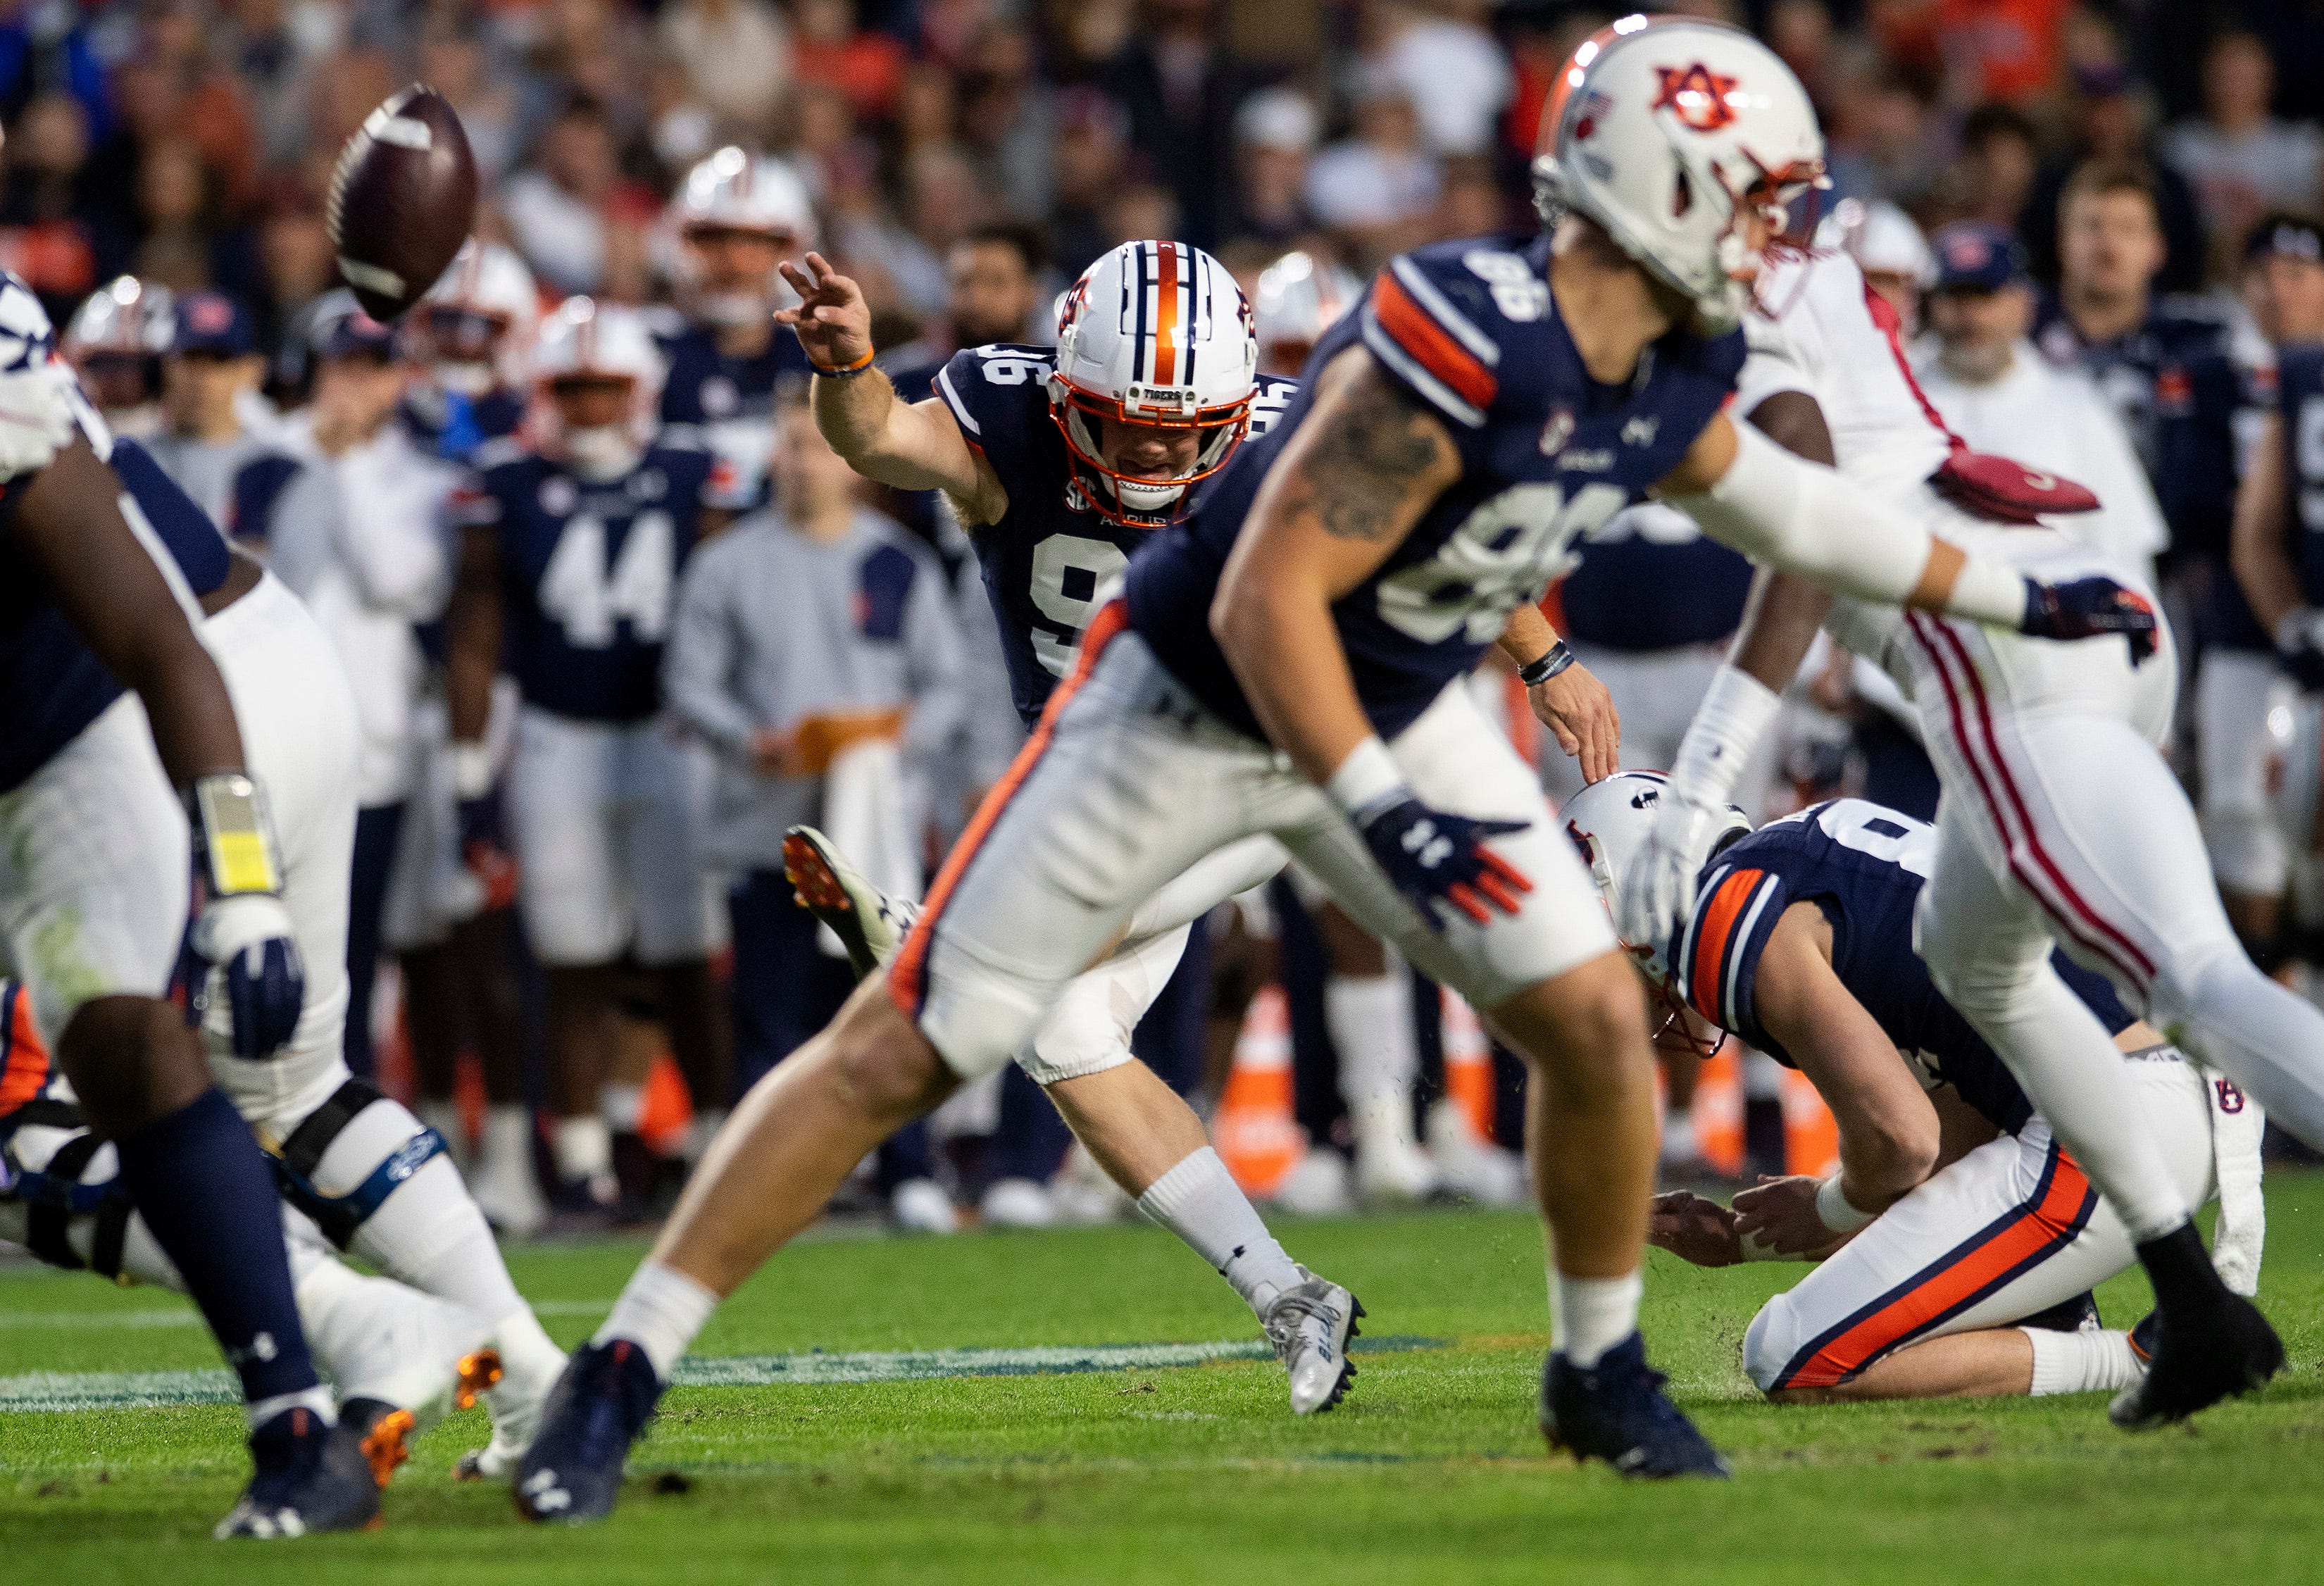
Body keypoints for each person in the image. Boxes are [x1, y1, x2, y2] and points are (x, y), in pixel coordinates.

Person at [518, 18, 2159, 1516]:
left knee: (1592, 1023)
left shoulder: (1658, 357)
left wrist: (2017, 594)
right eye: (1748, 202)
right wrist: (1379, 812)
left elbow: (1788, 511)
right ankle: (617, 1370)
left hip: (1388, 697)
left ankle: (1597, 1367)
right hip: (1180, 701)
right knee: (904, 1045)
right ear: (1655, 195)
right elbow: (1262, 602)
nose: (1769, 243)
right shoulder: (1456, 329)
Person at [1621, 203, 2301, 1444]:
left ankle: (2163, 1328)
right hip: (2041, 643)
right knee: (1979, 962)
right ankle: (2193, 1306)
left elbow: (1808, 534)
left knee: (2197, 980)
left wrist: (1703, 783)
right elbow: (1949, 1131)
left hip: (2012, 681)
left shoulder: (1727, 901)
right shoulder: (1810, 311)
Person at [0, 267, 373, 1535]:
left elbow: (162, 641)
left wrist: (245, 885)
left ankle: (297, 1426)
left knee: (121, 1040)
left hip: (51, 736)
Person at [1566, 780, 2255, 1402]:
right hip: (2174, 1090)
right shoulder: (1813, 847)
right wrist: (1749, 1240)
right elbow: (1948, 1149)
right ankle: (2073, 1325)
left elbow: (1902, 1141)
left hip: (2112, 1118)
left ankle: (2157, 1354)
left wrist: (1830, 1206)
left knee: (1789, 1354)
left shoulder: (1726, 919)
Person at [446, 297, 726, 1216]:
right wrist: (468, 767)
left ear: (641, 389)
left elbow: (725, 610)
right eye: (573, 389)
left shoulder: (692, 472)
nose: (591, 407)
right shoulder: (507, 480)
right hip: (557, 736)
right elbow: (477, 633)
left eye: (607, 388)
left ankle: (714, 1139)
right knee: (571, 955)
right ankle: (582, 1159)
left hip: (670, 733)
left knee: (686, 950)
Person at [663, 392, 966, 1231]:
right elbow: (689, 682)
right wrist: (749, 739)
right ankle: (777, 1184)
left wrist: (891, 738)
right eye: (791, 446)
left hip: (870, 832)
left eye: (819, 446)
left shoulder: (896, 560)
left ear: (853, 459)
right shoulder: (728, 564)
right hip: (768, 823)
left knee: (887, 1002)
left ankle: (909, 1168)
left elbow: (946, 686)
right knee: (770, 1010)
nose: (803, 463)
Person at [2030, 164, 2279, 957]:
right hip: (2039, 588)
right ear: (2063, 241)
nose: (2107, 245)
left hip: (2176, 588)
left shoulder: (2207, 341)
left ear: (2158, 249)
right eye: (2092, 225)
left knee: (2195, 782)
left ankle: (2210, 963)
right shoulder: (2018, 330)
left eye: (2127, 228)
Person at [385, 238, 544, 1234]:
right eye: (446, 321)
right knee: (418, 938)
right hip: (399, 696)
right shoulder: (383, 417)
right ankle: (436, 1135)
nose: (461, 341)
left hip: (506, 701)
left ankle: (517, 1150)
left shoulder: (533, 430)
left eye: (482, 326)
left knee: (500, 936)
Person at [265, 297, 449, 1085]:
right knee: (262, 929)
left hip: (373, 745)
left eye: (372, 368)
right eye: (341, 365)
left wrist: (344, 466)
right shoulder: (268, 458)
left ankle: (345, 1100)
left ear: (399, 380)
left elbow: (399, 580)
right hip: (268, 735)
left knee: (354, 938)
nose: (352, 384)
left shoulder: (423, 478)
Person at [1914, 223, 2168, 585]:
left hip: (2049, 609)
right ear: (1932, 305)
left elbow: (2125, 551)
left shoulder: (2076, 407)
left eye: (1986, 296)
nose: (1972, 316)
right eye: (1957, 297)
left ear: (2022, 304)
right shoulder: (1898, 398)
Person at [2229, 214, 2324, 966]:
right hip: (2310, 652)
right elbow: (2257, 533)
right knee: (2289, 845)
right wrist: (2299, 630)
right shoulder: (2299, 375)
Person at [651, 146, 816, 526]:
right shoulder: (649, 352)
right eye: (716, 241)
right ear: (681, 245)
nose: (736, 262)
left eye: (756, 244)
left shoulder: (814, 355)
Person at [142, 290, 306, 556]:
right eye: (191, 359)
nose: (202, 379)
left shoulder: (276, 470)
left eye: (219, 361)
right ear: (167, 366)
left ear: (252, 371)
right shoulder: (138, 461)